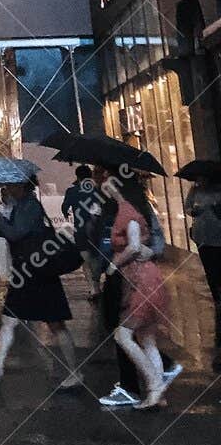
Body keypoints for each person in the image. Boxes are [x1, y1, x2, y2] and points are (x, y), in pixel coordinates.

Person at [0, 179, 83, 390]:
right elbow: (11, 232)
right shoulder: (22, 205)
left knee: (56, 324)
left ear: (22, 186)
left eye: (11, 185)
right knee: (9, 319)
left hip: (37, 271)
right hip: (27, 271)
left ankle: (75, 372)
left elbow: (15, 233)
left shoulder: (30, 205)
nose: (7, 189)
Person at [106, 173, 172, 410]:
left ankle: (154, 387)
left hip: (140, 280)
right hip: (144, 278)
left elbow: (134, 246)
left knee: (123, 336)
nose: (105, 186)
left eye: (109, 182)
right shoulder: (133, 210)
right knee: (147, 338)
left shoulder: (127, 212)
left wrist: (114, 264)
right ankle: (158, 394)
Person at [186, 176, 221, 372]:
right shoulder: (195, 190)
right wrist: (195, 211)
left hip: (218, 237)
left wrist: (217, 209)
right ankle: (216, 295)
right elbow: (188, 208)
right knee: (210, 271)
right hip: (203, 238)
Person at [61, 165, 104, 300]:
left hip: (80, 230)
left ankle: (93, 289)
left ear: (77, 176)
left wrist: (67, 215)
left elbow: (65, 208)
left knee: (85, 259)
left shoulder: (72, 191)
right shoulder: (98, 190)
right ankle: (97, 284)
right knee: (96, 257)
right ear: (90, 175)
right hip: (97, 230)